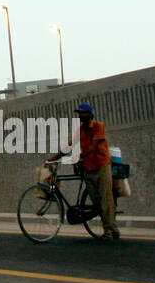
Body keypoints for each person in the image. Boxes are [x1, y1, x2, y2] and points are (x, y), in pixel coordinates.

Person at [46, 102, 120, 241]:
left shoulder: (99, 127)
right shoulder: (80, 130)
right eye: (79, 113)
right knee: (96, 202)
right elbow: (69, 145)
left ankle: (109, 231)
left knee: (106, 199)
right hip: (88, 168)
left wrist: (80, 156)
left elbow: (93, 146)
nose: (80, 115)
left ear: (90, 114)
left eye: (83, 113)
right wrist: (53, 158)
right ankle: (112, 228)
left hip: (101, 166)